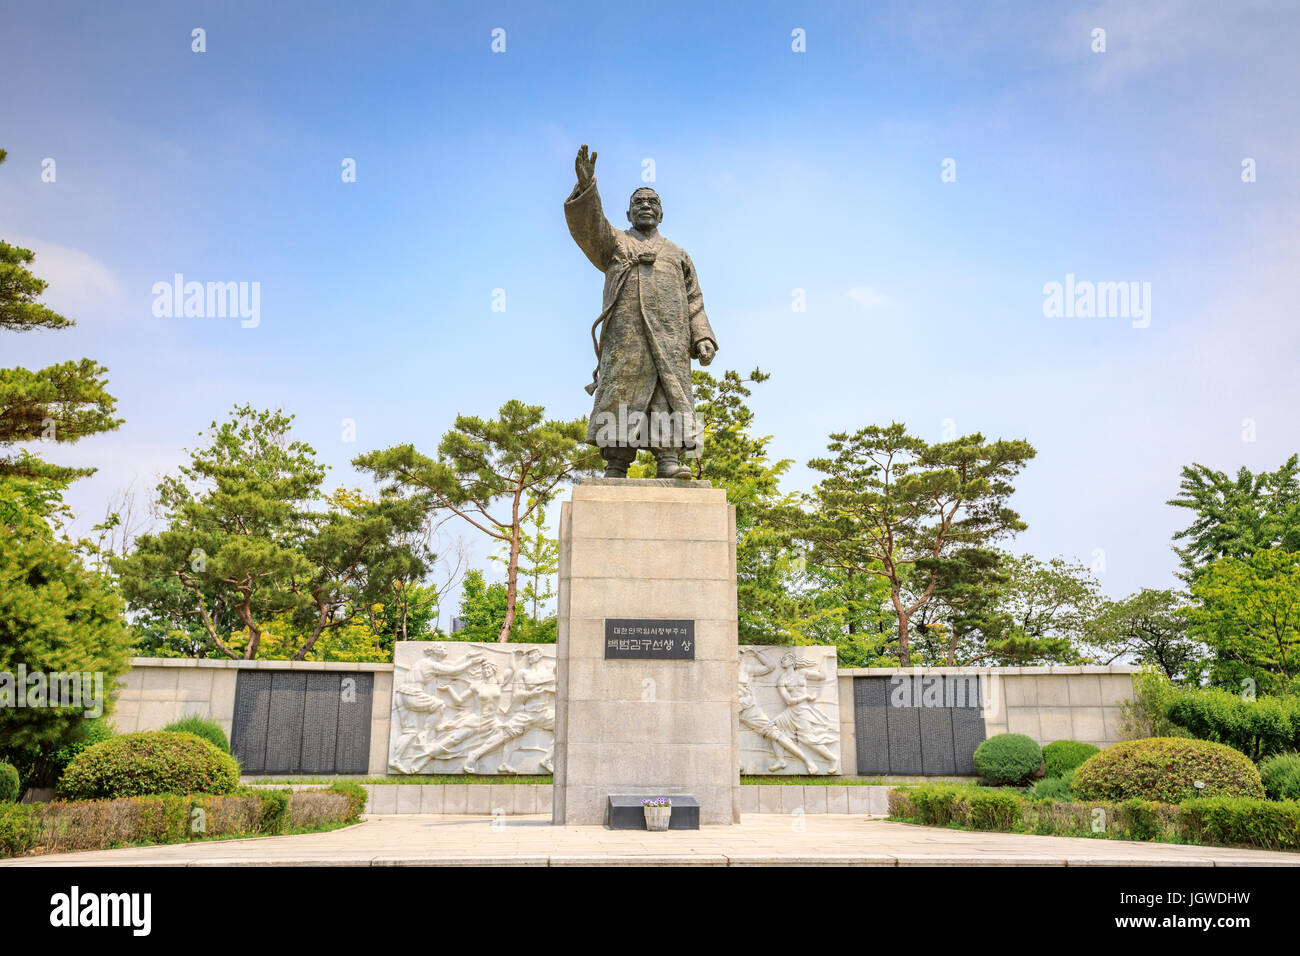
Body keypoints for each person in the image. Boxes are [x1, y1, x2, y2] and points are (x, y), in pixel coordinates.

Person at [565, 144, 718, 478]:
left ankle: (668, 460)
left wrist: (702, 335)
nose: (646, 206)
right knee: (620, 397)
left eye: (653, 203)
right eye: (639, 202)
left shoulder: (677, 254)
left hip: (669, 342)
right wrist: (587, 189)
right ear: (628, 213)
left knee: (667, 397)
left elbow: (695, 299)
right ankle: (616, 462)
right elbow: (591, 228)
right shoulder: (617, 244)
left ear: (661, 214)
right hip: (626, 340)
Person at [770, 653, 841, 774]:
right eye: (782, 658)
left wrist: (824, 659)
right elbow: (788, 700)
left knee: (807, 739)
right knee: (772, 729)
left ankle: (832, 759)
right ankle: (780, 760)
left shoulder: (802, 673)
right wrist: (805, 696)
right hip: (791, 710)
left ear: (792, 661)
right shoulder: (782, 679)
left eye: (785, 658)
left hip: (803, 710)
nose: (782, 660)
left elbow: (822, 676)